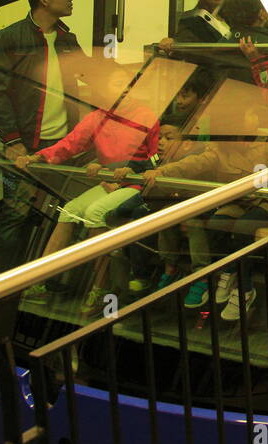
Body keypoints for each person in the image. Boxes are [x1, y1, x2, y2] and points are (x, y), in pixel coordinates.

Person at [16, 63, 160, 314]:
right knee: (68, 210)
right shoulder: (99, 117)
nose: (125, 91)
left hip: (136, 185)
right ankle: (39, 281)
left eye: (129, 86)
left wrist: (126, 170)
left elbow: (157, 157)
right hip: (108, 182)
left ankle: (100, 286)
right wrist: (39, 157)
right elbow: (71, 144)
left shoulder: (146, 116)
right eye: (118, 85)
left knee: (95, 212)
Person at [0, 0, 86, 266]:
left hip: (64, 144)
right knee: (17, 214)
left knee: (59, 212)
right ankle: (5, 282)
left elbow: (92, 75)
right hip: (28, 145)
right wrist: (13, 141)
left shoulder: (68, 38)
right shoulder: (11, 38)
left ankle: (49, 279)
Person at [140, 108, 268, 321]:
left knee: (243, 229)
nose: (254, 118)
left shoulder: (264, 142)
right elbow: (193, 164)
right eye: (248, 114)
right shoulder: (219, 147)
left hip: (265, 202)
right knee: (217, 223)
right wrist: (162, 171)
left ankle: (244, 287)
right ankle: (228, 272)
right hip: (236, 202)